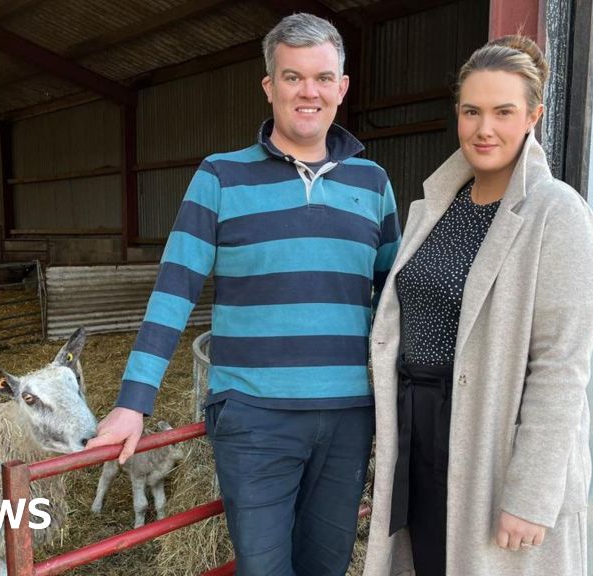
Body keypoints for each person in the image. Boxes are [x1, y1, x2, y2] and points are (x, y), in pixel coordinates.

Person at [87, 13, 400, 576]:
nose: (310, 91)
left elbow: (393, 301)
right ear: (269, 86)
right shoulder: (220, 177)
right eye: (293, 77)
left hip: (349, 414)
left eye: (323, 78)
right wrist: (135, 401)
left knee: (327, 566)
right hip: (254, 417)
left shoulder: (373, 183)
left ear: (342, 87)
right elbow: (174, 289)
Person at [362, 35, 593, 576]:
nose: (484, 128)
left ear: (532, 116)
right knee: (428, 561)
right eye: (471, 111)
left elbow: (561, 366)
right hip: (419, 429)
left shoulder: (557, 213)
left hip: (492, 436)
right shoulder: (434, 207)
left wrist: (532, 493)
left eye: (503, 111)